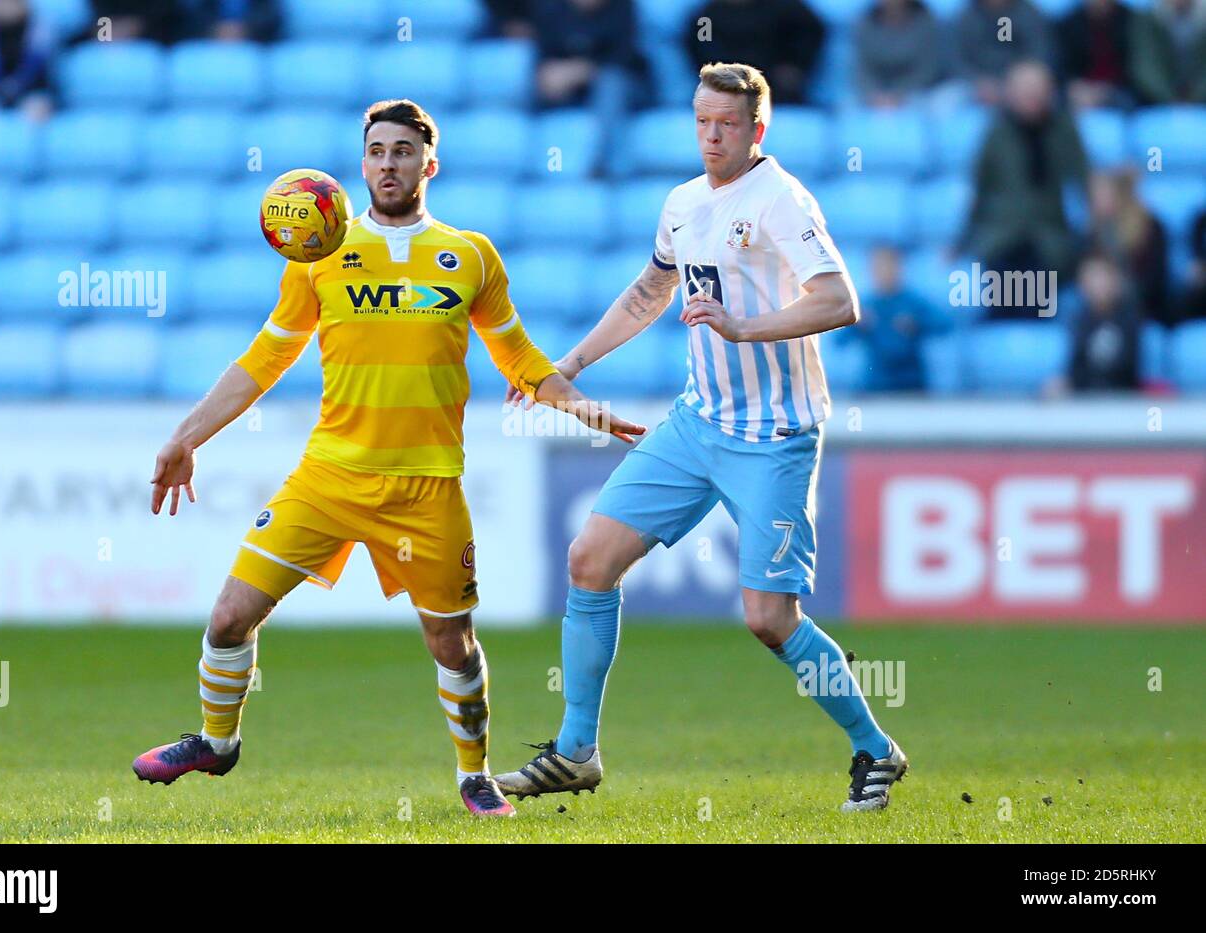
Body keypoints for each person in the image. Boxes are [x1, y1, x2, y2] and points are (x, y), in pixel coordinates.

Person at [131, 99, 644, 818]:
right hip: (330, 477)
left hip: (427, 487)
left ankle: (475, 774)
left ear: (428, 164)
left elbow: (520, 358)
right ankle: (217, 743)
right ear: (361, 162)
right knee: (227, 617)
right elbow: (265, 358)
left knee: (453, 643)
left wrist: (582, 406)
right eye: (376, 151)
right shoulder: (320, 255)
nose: (388, 163)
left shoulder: (470, 256)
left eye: (403, 151)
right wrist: (186, 436)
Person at [496, 63, 907, 813]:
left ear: (758, 129)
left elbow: (840, 299)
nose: (711, 136)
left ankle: (876, 749)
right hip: (697, 422)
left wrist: (745, 326)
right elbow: (651, 290)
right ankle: (577, 749)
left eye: (726, 124)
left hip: (775, 434)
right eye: (701, 121)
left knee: (767, 618)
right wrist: (569, 365)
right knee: (589, 559)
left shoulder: (781, 199)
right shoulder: (683, 204)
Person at [961, 61, 1090, 318]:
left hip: (1048, 236)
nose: (1032, 100)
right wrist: (961, 240)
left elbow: (1083, 179)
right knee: (1001, 293)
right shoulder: (996, 134)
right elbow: (979, 190)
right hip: (1001, 236)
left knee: (1038, 294)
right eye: (1025, 93)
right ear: (1010, 94)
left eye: (1038, 93)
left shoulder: (1063, 130)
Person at [683, 0, 825, 106]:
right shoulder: (708, 16)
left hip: (776, 87)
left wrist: (795, 65)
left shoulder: (786, 8)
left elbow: (809, 34)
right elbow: (701, 44)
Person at [856, 246, 951, 391]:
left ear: (899, 268)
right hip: (875, 384)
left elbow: (945, 325)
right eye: (878, 267)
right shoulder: (865, 306)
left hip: (912, 382)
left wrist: (917, 324)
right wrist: (858, 325)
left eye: (889, 266)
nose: (884, 272)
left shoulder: (913, 302)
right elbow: (838, 341)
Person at [1085, 170, 1169, 326]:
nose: (1095, 200)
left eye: (1102, 193)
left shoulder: (1152, 228)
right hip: (1100, 305)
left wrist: (1117, 288)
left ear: (1120, 194)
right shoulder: (1095, 231)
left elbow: (1154, 281)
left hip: (1146, 307)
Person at [1062, 253, 1142, 391]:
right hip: (1084, 399)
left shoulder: (1130, 320)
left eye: (1101, 277)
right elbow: (1076, 368)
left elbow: (1129, 371)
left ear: (1115, 281)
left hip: (1123, 399)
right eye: (1090, 279)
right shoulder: (1080, 320)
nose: (1097, 285)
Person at [952, 0, 1054, 107]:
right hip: (976, 86)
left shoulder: (1028, 12)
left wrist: (1015, 82)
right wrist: (976, 81)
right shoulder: (965, 15)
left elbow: (1040, 52)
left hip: (1020, 85)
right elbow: (956, 59)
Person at [852, 0, 945, 109]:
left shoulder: (926, 21)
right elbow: (861, 68)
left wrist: (900, 93)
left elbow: (927, 68)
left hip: (920, 93)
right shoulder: (864, 23)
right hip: (875, 96)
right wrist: (874, 94)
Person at [1057, 0, 1137, 110]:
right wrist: (1076, 87)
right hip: (1082, 94)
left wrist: (1106, 92)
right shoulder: (1068, 25)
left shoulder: (1133, 22)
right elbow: (1062, 68)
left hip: (1122, 92)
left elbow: (1139, 69)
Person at [1129, 0, 1206, 104]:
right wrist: (1169, 98)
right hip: (1157, 101)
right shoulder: (1149, 19)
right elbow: (1146, 65)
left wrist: (1196, 98)